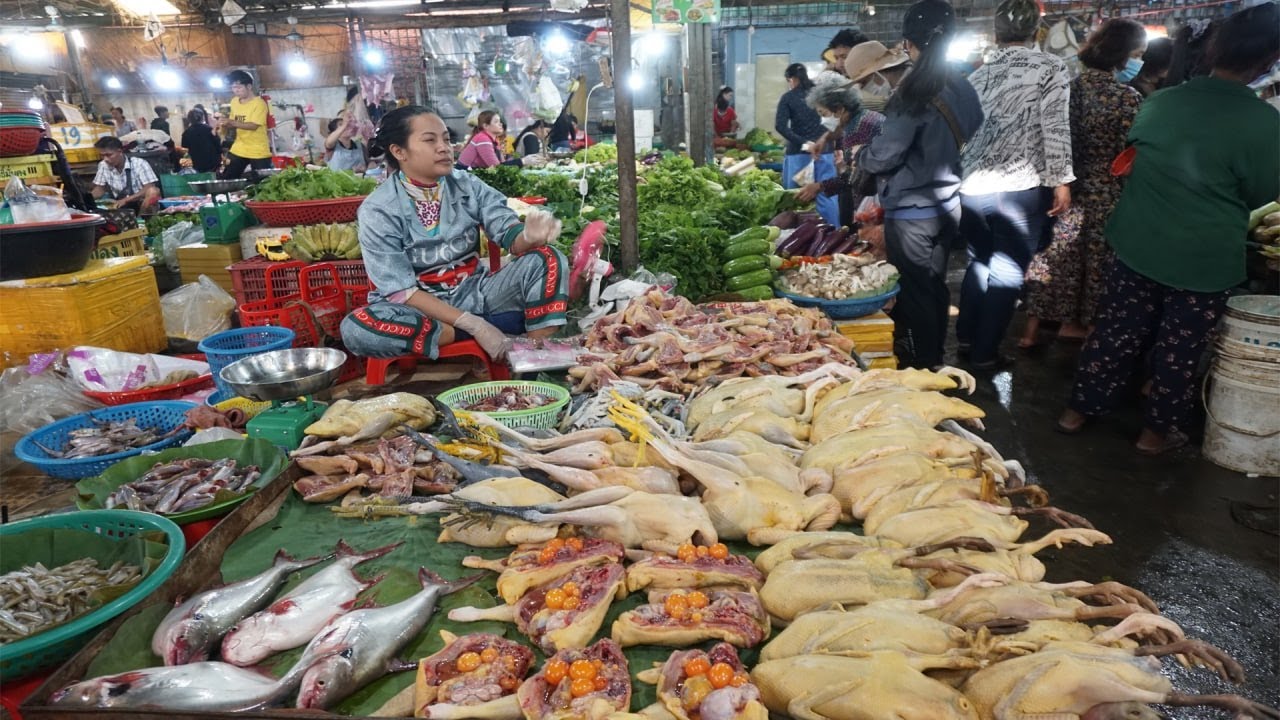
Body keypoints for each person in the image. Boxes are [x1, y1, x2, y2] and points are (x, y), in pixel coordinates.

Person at [1057, 3, 1279, 455]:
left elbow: (1137, 158)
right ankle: (1154, 435)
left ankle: (1076, 412)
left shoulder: (1162, 101)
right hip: (1203, 257)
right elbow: (1261, 194)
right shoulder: (1265, 123)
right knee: (1178, 350)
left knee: (1115, 333)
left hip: (1138, 240)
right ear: (1267, 61)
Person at [339, 106, 570, 362]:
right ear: (398, 151)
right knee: (356, 328)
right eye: (430, 140)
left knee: (547, 258)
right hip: (419, 311)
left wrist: (529, 236)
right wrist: (475, 325)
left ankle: (536, 357)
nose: (444, 148)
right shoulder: (378, 209)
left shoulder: (467, 185)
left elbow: (510, 236)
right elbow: (401, 291)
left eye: (447, 139)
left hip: (477, 294)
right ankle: (475, 335)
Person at [854, 0, 983, 370]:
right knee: (934, 286)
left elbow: (885, 155)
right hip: (948, 205)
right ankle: (934, 354)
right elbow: (973, 127)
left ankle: (925, 364)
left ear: (908, 44)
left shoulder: (912, 93)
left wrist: (862, 156)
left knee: (916, 291)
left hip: (912, 213)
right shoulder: (963, 87)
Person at [955, 0, 1074, 370]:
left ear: (995, 34)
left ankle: (964, 338)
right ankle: (985, 353)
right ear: (1036, 31)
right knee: (1006, 271)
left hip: (972, 188)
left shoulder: (978, 76)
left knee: (978, 261)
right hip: (1019, 189)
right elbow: (1055, 126)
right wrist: (1062, 180)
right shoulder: (1052, 68)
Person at [1022, 19, 1147, 348]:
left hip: (1062, 191)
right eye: (1137, 54)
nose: (1139, 61)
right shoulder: (1126, 98)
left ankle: (1031, 333)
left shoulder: (1065, 89)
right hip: (1106, 194)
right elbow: (1131, 153)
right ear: (1122, 55)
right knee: (1097, 268)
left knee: (1056, 261)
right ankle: (1090, 332)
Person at [794, 74, 884, 231]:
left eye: (824, 114)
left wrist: (819, 186)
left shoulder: (857, 131)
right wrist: (825, 139)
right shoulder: (863, 117)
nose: (823, 121)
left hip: (879, 196)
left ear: (840, 109)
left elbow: (853, 179)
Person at [775, 64, 839, 226]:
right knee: (828, 195)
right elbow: (835, 121)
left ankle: (798, 238)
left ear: (791, 79)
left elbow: (780, 126)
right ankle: (835, 234)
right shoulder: (821, 95)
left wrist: (804, 143)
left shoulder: (788, 98)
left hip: (798, 156)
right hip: (824, 152)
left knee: (796, 198)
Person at [221, 70, 273, 179]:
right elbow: (233, 121)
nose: (236, 90)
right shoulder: (234, 101)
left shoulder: (259, 104)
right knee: (227, 178)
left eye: (239, 87)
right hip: (239, 147)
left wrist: (232, 122)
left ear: (249, 86)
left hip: (258, 149)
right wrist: (225, 124)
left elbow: (254, 125)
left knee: (262, 183)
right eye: (233, 87)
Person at [90, 136, 159, 212]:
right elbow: (100, 189)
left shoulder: (139, 163)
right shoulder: (103, 165)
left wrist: (126, 200)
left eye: (109, 155)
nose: (105, 159)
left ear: (120, 152)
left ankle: (143, 219)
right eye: (102, 155)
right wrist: (87, 199)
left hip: (141, 204)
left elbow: (149, 187)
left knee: (153, 191)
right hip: (119, 205)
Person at [842, 40, 911, 112]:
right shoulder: (898, 92)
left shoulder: (915, 87)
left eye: (864, 83)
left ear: (878, 71)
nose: (862, 89)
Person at [180, 108, 222, 174]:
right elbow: (217, 143)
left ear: (189, 119)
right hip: (213, 160)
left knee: (202, 178)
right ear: (202, 117)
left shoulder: (187, 132)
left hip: (198, 161)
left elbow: (184, 146)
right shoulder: (209, 129)